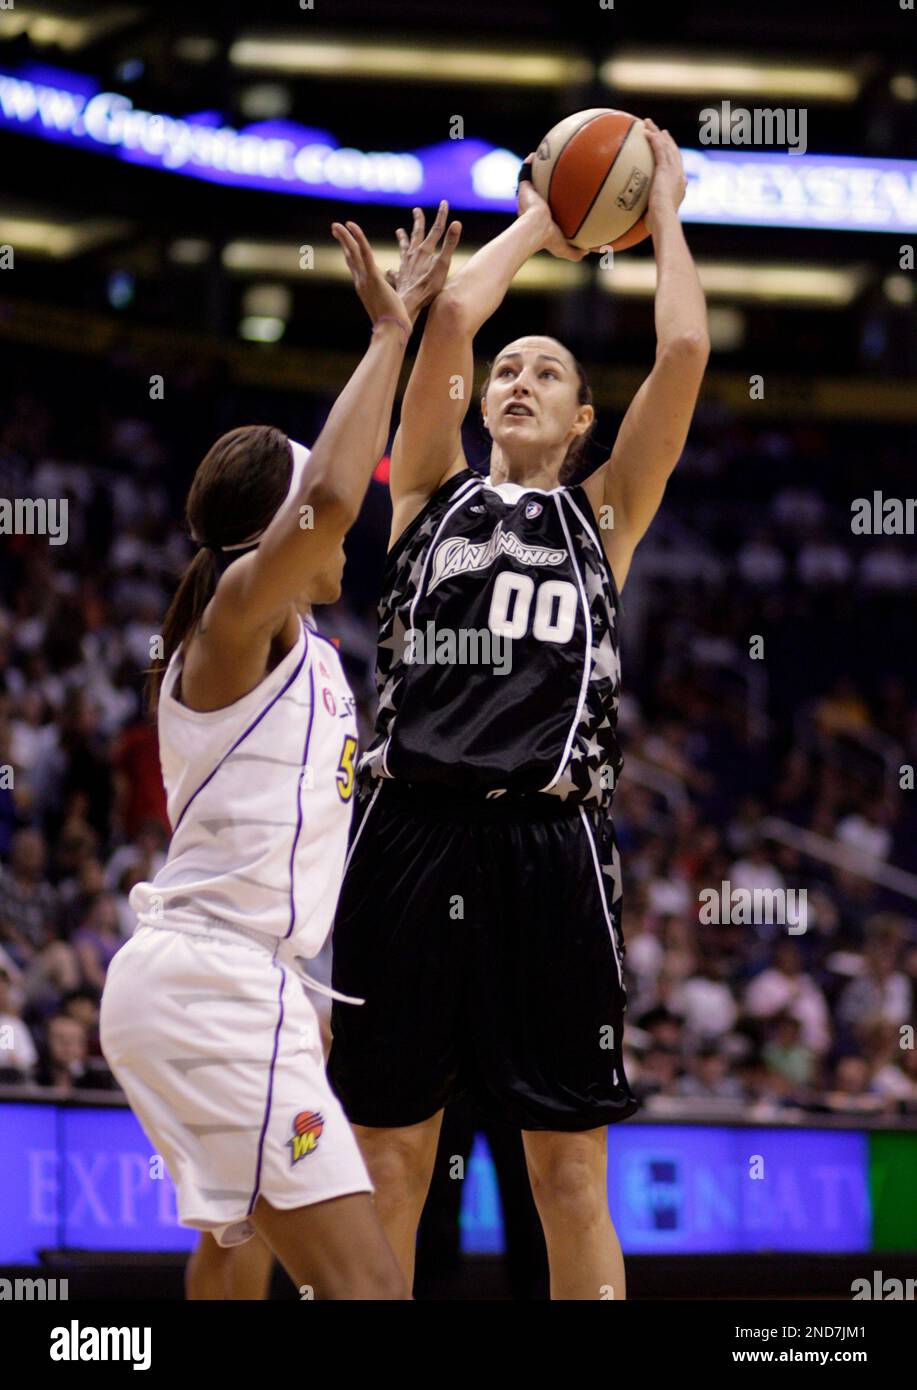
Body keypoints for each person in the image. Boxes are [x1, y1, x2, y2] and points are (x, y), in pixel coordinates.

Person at [328, 122, 709, 1300]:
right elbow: (448, 324)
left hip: (551, 842)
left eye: (545, 371)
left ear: (584, 419)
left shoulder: (605, 514)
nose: (517, 378)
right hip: (406, 829)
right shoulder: (429, 491)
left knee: (569, 1174)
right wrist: (550, 216)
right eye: (510, 369)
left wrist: (665, 211)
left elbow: (685, 347)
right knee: (390, 1158)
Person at [100, 208, 460, 1300]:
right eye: (312, 512)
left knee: (231, 1249)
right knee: (367, 1291)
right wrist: (388, 336)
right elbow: (338, 494)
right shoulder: (229, 621)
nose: (338, 528)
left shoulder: (294, 645)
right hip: (214, 985)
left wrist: (305, 998)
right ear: (274, 529)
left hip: (243, 983)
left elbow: (340, 498)